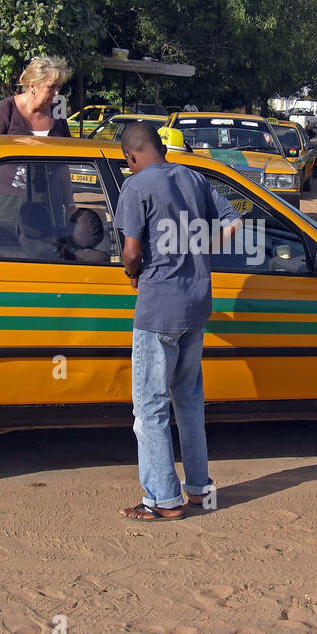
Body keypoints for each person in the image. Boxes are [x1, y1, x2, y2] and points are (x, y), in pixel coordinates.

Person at [114, 122, 241, 521]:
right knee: (188, 402)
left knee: (149, 408)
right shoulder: (194, 177)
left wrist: (131, 272)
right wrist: (200, 251)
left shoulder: (135, 188)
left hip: (157, 311)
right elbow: (234, 222)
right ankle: (199, 489)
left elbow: (132, 252)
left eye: (128, 163)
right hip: (195, 306)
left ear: (131, 156)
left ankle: (162, 501)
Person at [0, 57, 72, 222]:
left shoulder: (57, 114)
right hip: (8, 203)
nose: (57, 93)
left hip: (49, 203)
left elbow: (63, 165)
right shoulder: (5, 110)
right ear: (33, 86)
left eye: (58, 87)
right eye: (51, 87)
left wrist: (70, 205)